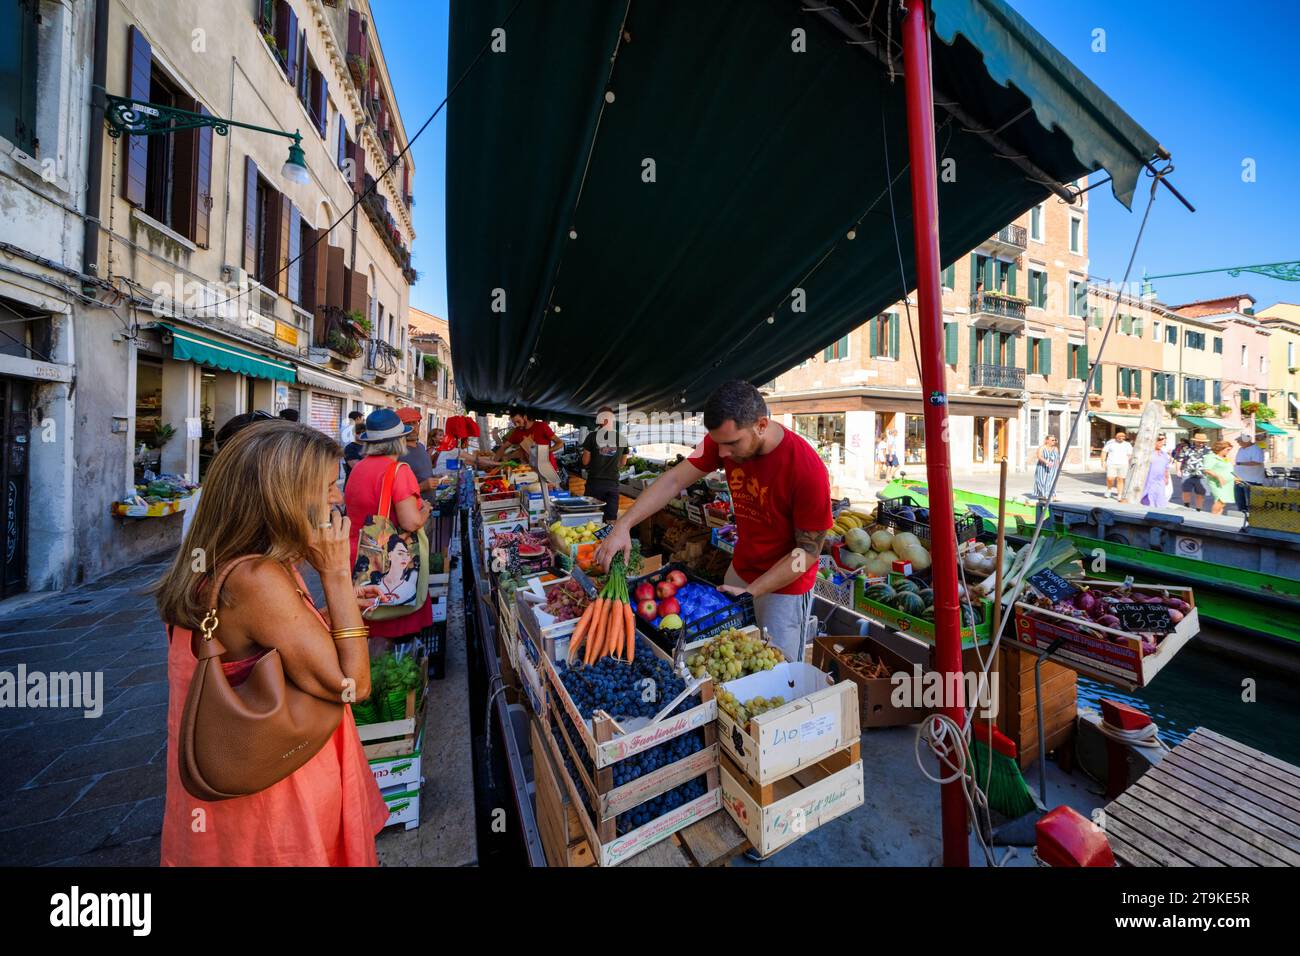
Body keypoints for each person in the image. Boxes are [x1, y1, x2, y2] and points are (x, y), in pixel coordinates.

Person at [153, 419, 388, 866]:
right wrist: (337, 576)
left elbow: (260, 647)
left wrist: (321, 616)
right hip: (278, 784)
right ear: (282, 495)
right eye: (329, 486)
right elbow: (353, 685)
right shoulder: (256, 578)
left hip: (249, 773)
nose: (338, 498)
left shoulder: (229, 560)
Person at [594, 380, 831, 664]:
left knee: (777, 671)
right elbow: (674, 479)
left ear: (762, 425)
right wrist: (624, 524)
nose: (722, 455)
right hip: (739, 574)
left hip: (783, 592)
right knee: (727, 661)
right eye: (717, 443)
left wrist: (752, 592)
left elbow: (807, 553)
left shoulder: (806, 470)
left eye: (731, 443)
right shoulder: (721, 442)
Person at [345, 409, 434, 645]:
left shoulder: (359, 469)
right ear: (399, 441)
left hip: (359, 559)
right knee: (398, 640)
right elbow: (410, 522)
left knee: (367, 634)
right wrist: (425, 509)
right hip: (391, 562)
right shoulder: (398, 471)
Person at [582, 406, 628, 522]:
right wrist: (611, 465)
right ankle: (609, 539)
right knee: (610, 519)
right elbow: (623, 463)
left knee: (591, 518)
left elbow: (585, 461)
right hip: (612, 485)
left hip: (594, 484)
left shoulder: (592, 437)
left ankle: (594, 539)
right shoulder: (622, 438)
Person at [396, 408, 438, 494]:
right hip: (413, 506)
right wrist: (422, 486)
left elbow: (423, 474)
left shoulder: (421, 447)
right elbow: (397, 492)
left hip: (429, 505)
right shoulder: (396, 453)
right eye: (407, 424)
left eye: (415, 423)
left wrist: (435, 477)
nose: (413, 428)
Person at [1232, 432, 1266, 517]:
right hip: (1240, 479)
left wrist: (1240, 463)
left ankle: (1254, 518)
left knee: (1252, 501)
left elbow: (1257, 462)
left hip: (1252, 480)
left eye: (1239, 441)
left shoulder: (1256, 449)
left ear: (1246, 441)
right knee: (1239, 500)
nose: (1238, 443)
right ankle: (1243, 516)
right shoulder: (1241, 449)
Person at [1177, 432, 1211, 511]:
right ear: (1195, 441)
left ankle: (1198, 509)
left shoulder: (1209, 450)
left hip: (1202, 475)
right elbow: (1179, 459)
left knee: (1200, 494)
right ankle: (1186, 506)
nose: (1201, 443)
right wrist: (1178, 470)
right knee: (1186, 491)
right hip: (1187, 473)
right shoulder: (1187, 449)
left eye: (1203, 442)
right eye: (1199, 442)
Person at [1203, 440, 1237, 516]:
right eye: (1227, 450)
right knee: (1220, 500)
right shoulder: (1211, 457)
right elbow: (1206, 470)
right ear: (1220, 448)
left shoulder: (1225, 457)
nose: (1228, 452)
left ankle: (1218, 518)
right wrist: (1219, 477)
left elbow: (1229, 469)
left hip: (1228, 483)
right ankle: (1213, 517)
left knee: (1223, 502)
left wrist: (1236, 478)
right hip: (1217, 482)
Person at [1140, 434, 1173, 508]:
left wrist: (1166, 477)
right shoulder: (1147, 453)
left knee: (1160, 496)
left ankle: (1158, 511)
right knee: (1147, 497)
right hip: (1148, 479)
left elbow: (1166, 467)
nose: (1161, 444)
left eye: (1162, 442)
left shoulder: (1164, 454)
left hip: (1160, 480)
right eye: (1158, 441)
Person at [1101, 430, 1133, 499]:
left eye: (1123, 436)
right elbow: (1104, 452)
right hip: (1111, 463)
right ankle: (1109, 489)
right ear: (1116, 437)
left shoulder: (1127, 444)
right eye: (1120, 436)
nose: (1121, 438)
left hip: (1123, 464)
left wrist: (1130, 463)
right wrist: (1103, 462)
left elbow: (1130, 455)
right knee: (1110, 478)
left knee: (1120, 479)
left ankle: (1119, 495)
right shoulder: (1110, 443)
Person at [1033, 434, 1059, 501]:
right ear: (1047, 440)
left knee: (1051, 482)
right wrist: (1046, 462)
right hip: (1042, 467)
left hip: (1053, 468)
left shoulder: (1055, 448)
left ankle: (1053, 496)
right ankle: (1043, 495)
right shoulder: (1042, 448)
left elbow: (1057, 458)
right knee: (1041, 481)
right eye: (1052, 440)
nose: (1054, 441)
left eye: (1055, 440)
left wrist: (1057, 466)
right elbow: (1039, 456)